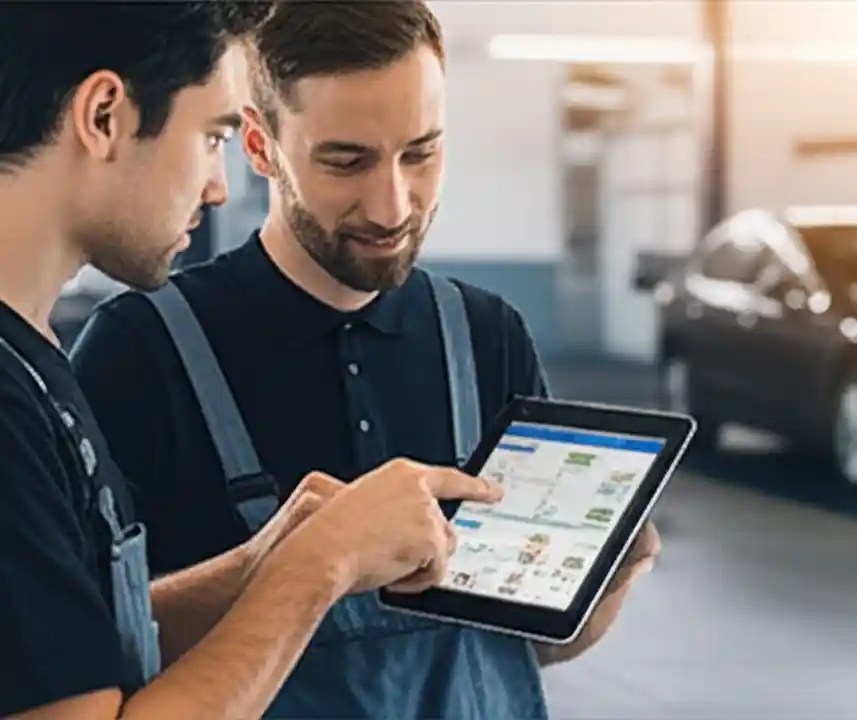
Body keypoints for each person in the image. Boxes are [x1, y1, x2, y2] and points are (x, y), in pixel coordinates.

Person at [70, 2, 661, 719]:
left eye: (421, 154)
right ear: (259, 145)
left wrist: (608, 580)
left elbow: (525, 645)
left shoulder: (488, 335)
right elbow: (96, 652)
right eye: (346, 161)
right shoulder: (141, 352)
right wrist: (298, 565)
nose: (391, 206)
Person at [0, 3, 505, 718]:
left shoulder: (32, 367)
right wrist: (318, 566)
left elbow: (81, 649)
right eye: (212, 137)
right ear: (105, 114)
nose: (218, 186)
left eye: (420, 152)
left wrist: (263, 562)